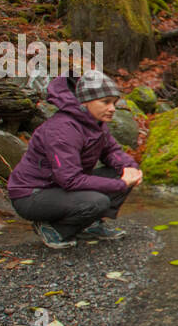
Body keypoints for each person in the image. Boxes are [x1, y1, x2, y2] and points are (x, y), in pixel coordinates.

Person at [7, 70, 143, 249]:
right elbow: (70, 179)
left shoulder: (96, 123)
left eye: (114, 103)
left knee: (122, 173)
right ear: (85, 102)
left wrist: (129, 168)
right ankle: (55, 229)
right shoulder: (62, 129)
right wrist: (121, 185)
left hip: (61, 187)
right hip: (32, 194)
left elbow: (111, 151)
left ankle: (91, 223)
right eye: (106, 102)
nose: (112, 108)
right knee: (97, 201)